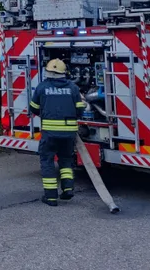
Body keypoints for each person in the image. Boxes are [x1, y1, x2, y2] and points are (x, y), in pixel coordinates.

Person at [30, 58, 86, 206]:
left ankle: (51, 197)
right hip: (69, 134)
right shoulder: (73, 88)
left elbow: (33, 108)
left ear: (47, 72)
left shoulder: (42, 87)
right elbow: (80, 109)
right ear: (64, 73)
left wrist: (46, 111)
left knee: (47, 161)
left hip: (50, 133)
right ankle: (68, 189)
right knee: (66, 160)